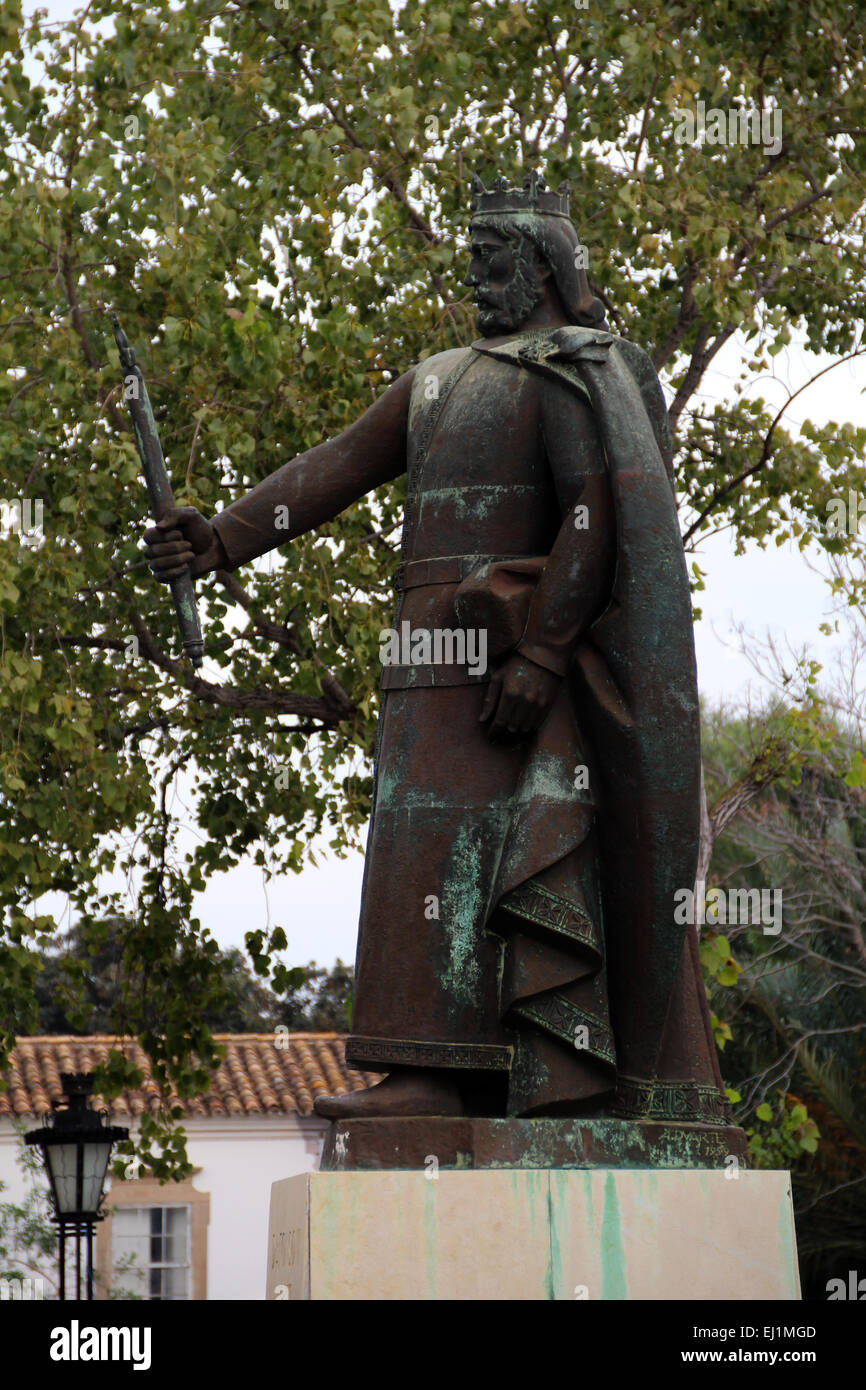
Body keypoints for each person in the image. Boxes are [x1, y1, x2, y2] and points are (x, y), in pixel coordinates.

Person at [145, 171, 732, 1129]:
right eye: (471, 261)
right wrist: (223, 539)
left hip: (510, 675)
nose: (475, 277)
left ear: (542, 264)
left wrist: (541, 654)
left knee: (505, 869)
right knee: (417, 864)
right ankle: (425, 1073)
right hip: (423, 670)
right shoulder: (438, 380)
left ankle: (512, 1079)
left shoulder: (572, 370)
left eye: (491, 260)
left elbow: (597, 512)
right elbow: (333, 466)